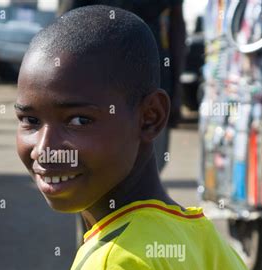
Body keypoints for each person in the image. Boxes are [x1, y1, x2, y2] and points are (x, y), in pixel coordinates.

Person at [15, 6, 262, 270]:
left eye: (79, 120)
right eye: (29, 120)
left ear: (150, 117)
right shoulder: (216, 250)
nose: (44, 149)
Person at [58, 0, 186, 172]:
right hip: (94, 86)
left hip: (150, 83)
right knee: (95, 167)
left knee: (148, 166)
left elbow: (176, 23)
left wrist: (177, 89)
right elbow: (64, 27)